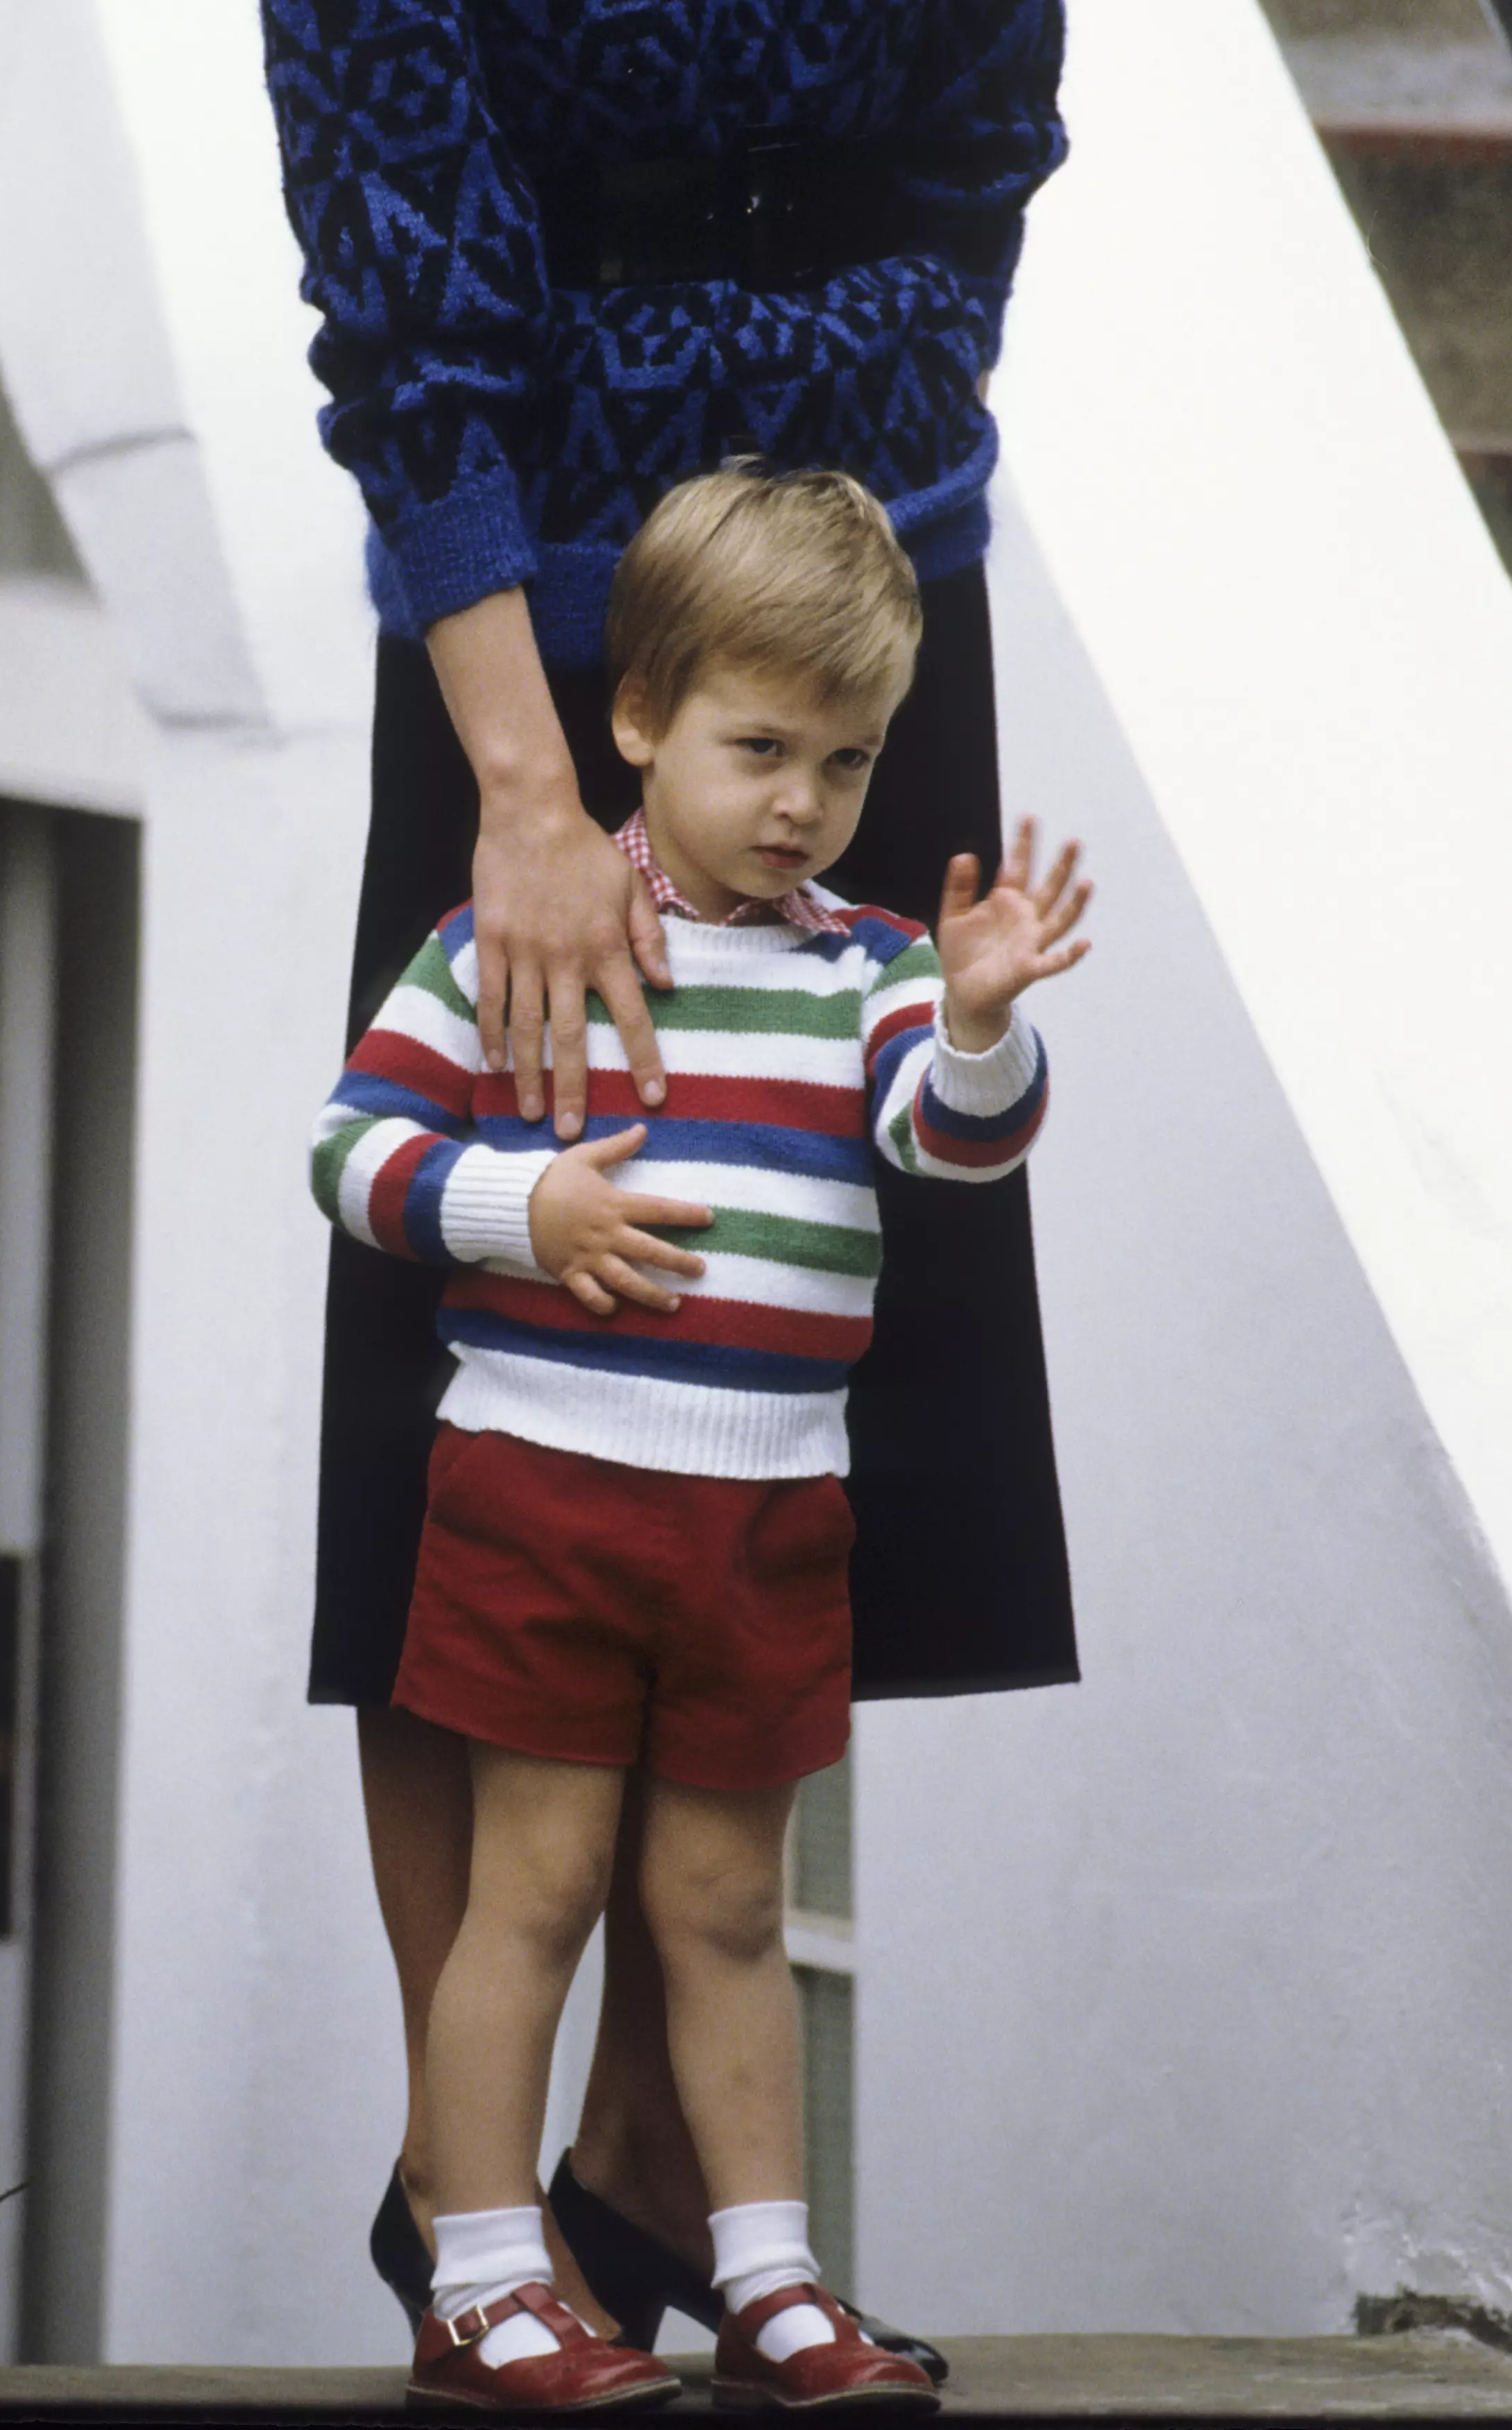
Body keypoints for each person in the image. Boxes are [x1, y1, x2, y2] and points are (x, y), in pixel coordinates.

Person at [220, 0, 1077, 2355]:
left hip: (856, 620)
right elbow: (405, 304)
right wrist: (533, 793)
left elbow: (993, 81)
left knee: (798, 1364)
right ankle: (470, 2187)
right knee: (486, 1405)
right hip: (549, 664)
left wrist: (880, 469)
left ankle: (612, 2171)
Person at [314, 467, 1089, 2416]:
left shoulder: (869, 965)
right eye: (757, 749)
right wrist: (523, 1215)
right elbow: (352, 1150)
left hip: (765, 1519)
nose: (800, 803)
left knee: (728, 1908)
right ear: (635, 719)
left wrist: (982, 1021)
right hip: (546, 1493)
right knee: (540, 1891)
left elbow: (947, 1138)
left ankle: (768, 2277)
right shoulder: (530, 942)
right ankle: (488, 2272)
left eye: (842, 760)